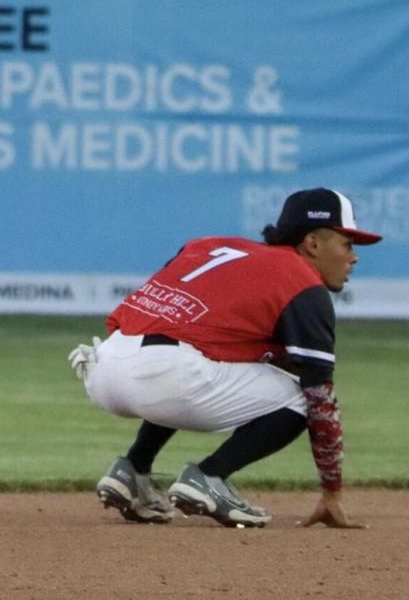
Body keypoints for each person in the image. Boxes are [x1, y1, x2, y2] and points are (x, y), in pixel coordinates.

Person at [68, 187, 380, 529]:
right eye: (347, 244)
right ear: (313, 243)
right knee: (304, 398)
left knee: (194, 355)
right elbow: (320, 397)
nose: (354, 257)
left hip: (103, 364)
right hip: (168, 374)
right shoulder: (303, 284)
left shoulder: (213, 246)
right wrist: (331, 492)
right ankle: (210, 476)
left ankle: (132, 470)